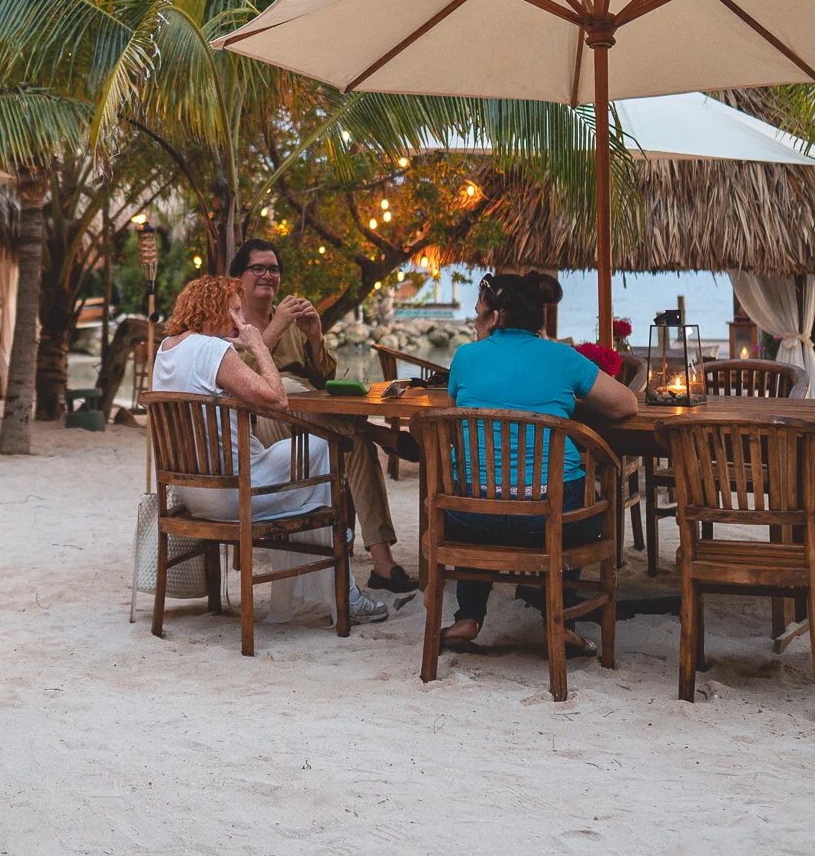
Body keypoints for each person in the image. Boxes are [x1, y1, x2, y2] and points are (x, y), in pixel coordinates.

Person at [151, 274, 390, 624]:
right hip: (233, 493)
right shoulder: (213, 350)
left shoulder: (166, 350)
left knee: (306, 459)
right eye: (234, 311)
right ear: (213, 310)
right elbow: (277, 399)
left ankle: (330, 578)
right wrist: (259, 346)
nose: (242, 320)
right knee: (324, 450)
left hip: (191, 493)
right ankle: (343, 588)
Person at [436, 270, 639, 652]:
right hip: (550, 518)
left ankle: (468, 617)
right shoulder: (562, 358)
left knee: (485, 488)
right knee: (577, 494)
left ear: (495, 317)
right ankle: (558, 620)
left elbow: (457, 406)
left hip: (470, 516)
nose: (475, 318)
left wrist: (483, 344)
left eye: (480, 312)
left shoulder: (465, 357)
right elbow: (626, 403)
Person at [228, 237, 413, 596]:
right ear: (239, 277)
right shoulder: (230, 324)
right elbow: (240, 377)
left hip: (311, 412)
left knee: (355, 442)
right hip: (263, 417)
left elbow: (322, 378)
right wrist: (276, 327)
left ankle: (383, 564)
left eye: (274, 269)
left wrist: (314, 337)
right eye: (258, 268)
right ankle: (380, 434)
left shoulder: (292, 318)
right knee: (284, 386)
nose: (268, 275)